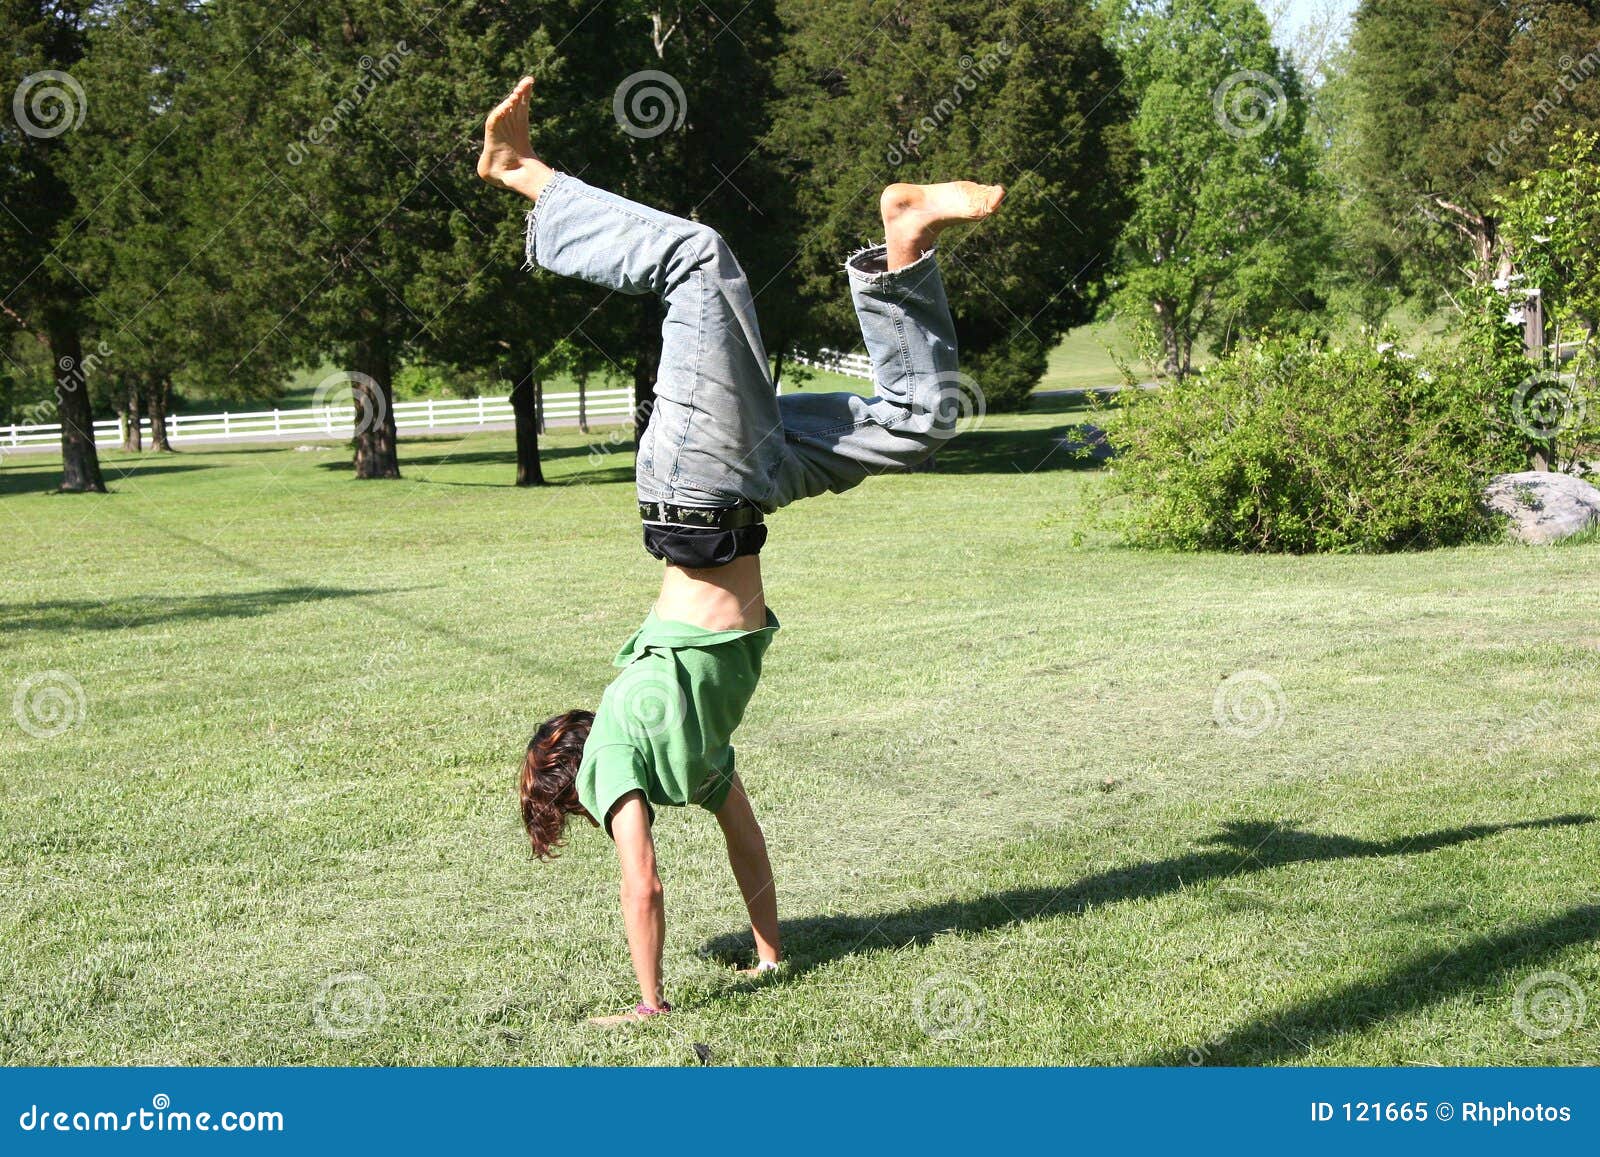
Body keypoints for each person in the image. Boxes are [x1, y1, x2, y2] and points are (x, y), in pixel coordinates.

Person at [477, 77, 1003, 1025]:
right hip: (745, 489)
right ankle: (903, 243)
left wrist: (648, 1004)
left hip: (696, 483)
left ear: (583, 772)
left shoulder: (625, 749)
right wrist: (767, 955)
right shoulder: (692, 757)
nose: (616, 819)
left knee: (698, 256)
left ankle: (524, 175)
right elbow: (746, 845)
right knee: (920, 419)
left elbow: (641, 884)